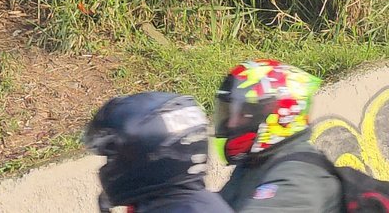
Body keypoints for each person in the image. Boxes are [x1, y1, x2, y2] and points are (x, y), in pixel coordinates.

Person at [214, 59, 342, 212]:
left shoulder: (297, 178)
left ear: (279, 115)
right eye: (229, 113)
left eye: (243, 114)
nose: (231, 124)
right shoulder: (255, 163)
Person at [84, 91, 233, 212]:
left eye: (114, 157)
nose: (108, 164)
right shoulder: (176, 203)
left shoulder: (185, 208)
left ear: (151, 155)